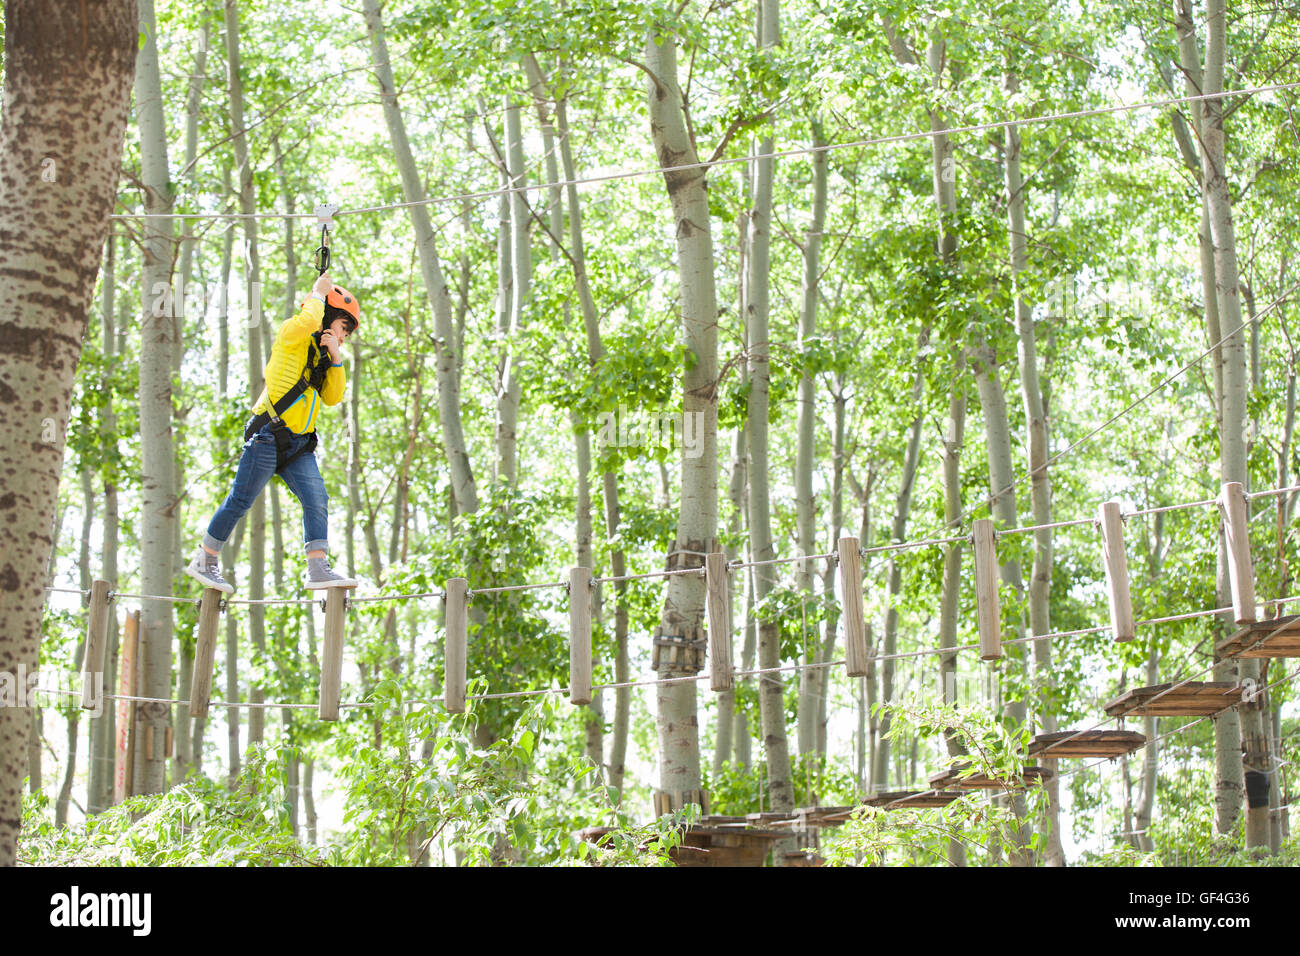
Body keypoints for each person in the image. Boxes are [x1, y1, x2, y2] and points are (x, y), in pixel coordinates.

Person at [184, 272, 359, 593]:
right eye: (344, 327)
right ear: (328, 317)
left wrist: (335, 358)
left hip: (298, 446)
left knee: (317, 498)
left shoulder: (322, 359)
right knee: (241, 499)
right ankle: (205, 558)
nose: (346, 335)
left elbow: (333, 398)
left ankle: (318, 567)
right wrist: (318, 294)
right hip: (268, 435)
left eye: (348, 332)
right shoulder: (293, 334)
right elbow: (307, 324)